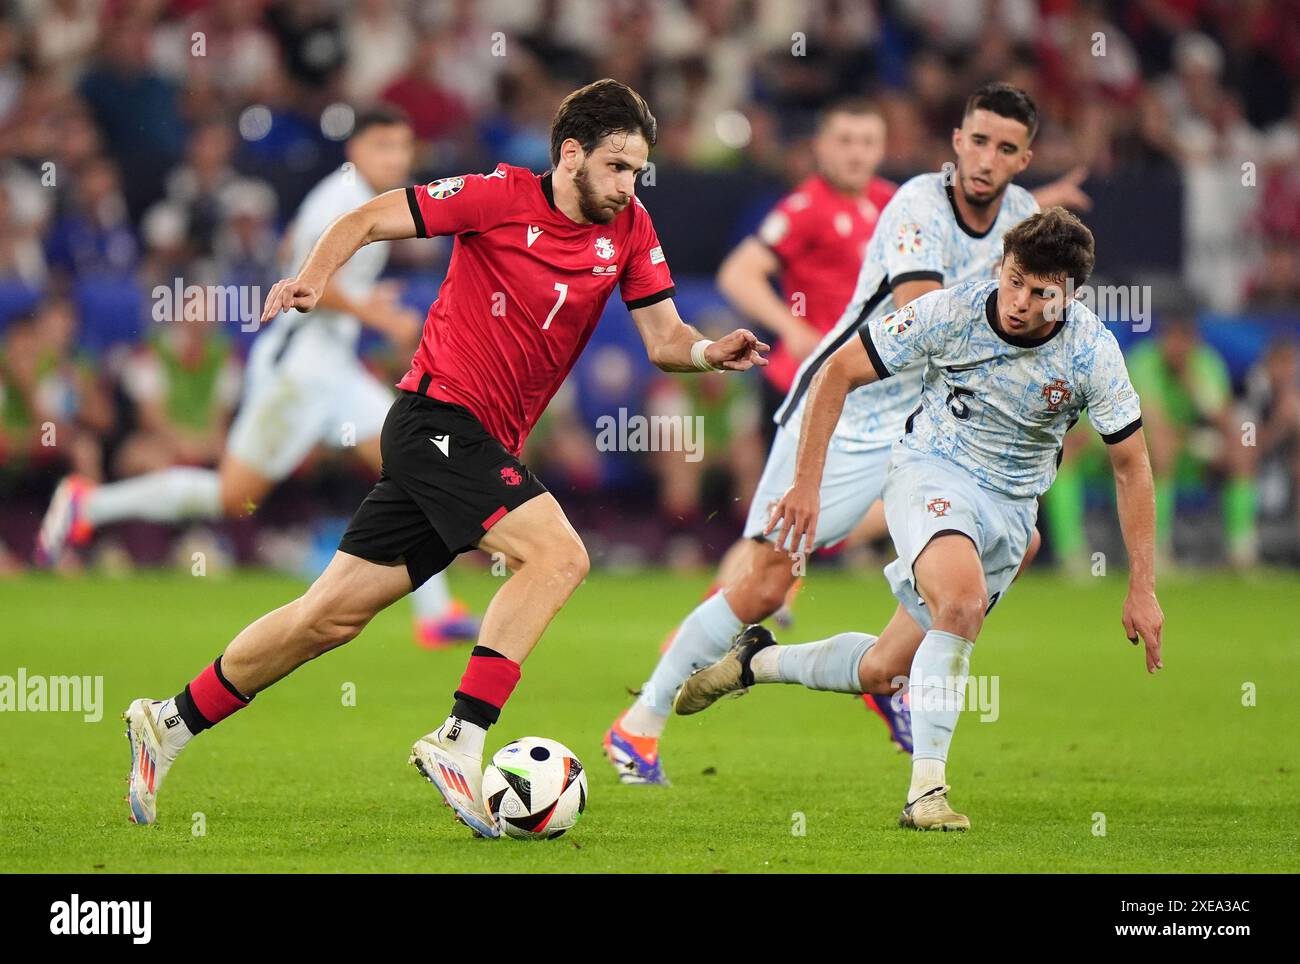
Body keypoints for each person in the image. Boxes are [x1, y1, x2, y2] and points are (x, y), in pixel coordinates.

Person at [117, 79, 768, 838]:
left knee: (325, 619)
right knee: (559, 557)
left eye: (637, 171)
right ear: (571, 154)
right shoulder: (495, 194)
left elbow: (662, 339)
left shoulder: (629, 229)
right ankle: (461, 737)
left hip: (482, 442)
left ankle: (168, 722)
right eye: (618, 167)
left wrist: (706, 351)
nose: (630, 185)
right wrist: (313, 280)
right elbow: (364, 218)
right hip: (437, 419)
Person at [604, 83, 1046, 786]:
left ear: (1026, 158)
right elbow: (922, 316)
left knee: (1014, 544)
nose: (988, 159)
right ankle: (641, 723)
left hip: (930, 428)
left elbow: (1043, 295)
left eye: (1006, 147)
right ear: (956, 142)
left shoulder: (1024, 218)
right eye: (978, 140)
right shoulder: (912, 208)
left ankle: (891, 672)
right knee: (766, 584)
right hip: (850, 411)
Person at [675, 209, 1165, 832]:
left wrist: (1142, 586)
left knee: (885, 670)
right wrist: (805, 484)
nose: (1019, 302)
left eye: (1041, 293)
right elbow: (839, 369)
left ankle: (755, 662)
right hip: (930, 472)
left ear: (1068, 296)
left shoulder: (1093, 351)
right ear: (1001, 267)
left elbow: (1132, 467)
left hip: (1011, 509)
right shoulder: (950, 312)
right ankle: (926, 793)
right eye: (1014, 280)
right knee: (960, 604)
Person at [37, 107, 478, 646]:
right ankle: (90, 504)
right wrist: (376, 314)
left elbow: (291, 242)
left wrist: (364, 306)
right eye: (384, 146)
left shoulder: (354, 197)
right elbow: (303, 280)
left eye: (403, 147)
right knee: (231, 495)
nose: (397, 158)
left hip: (333, 369)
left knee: (410, 465)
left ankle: (434, 614)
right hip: (297, 375)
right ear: (355, 151)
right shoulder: (340, 201)